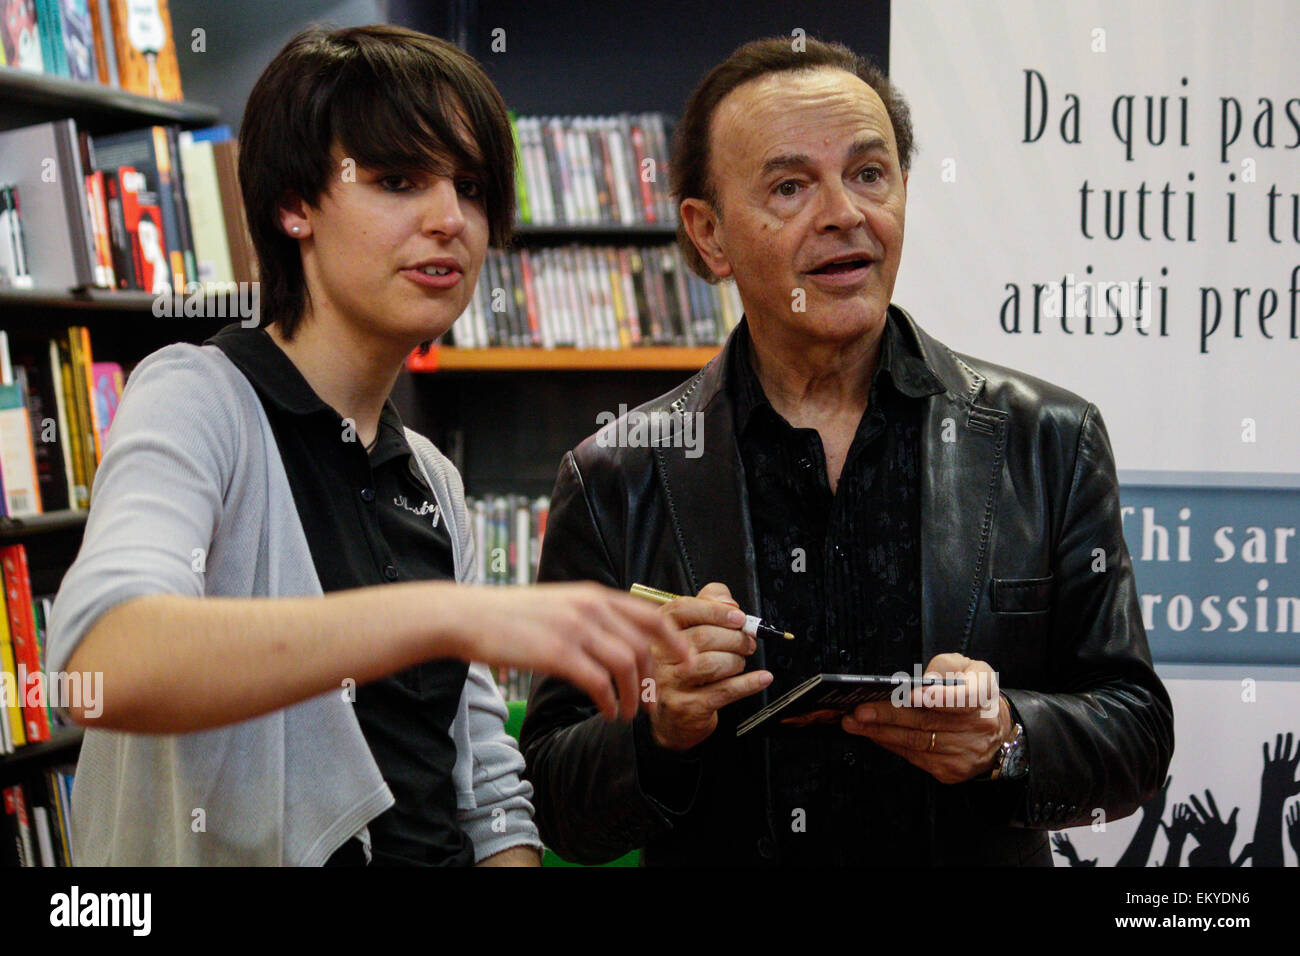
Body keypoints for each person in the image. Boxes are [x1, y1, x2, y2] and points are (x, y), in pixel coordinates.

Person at [520, 36, 1175, 866]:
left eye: (870, 173)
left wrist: (1005, 737)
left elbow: (1137, 732)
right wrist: (659, 726)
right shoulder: (619, 474)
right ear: (709, 234)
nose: (844, 213)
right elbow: (549, 793)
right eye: (791, 186)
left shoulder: (1047, 439)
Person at [45, 24, 683, 867]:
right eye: (397, 181)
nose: (450, 219)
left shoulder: (434, 479)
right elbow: (101, 664)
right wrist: (447, 615)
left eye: (472, 187)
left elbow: (485, 783)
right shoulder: (197, 398)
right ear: (294, 205)